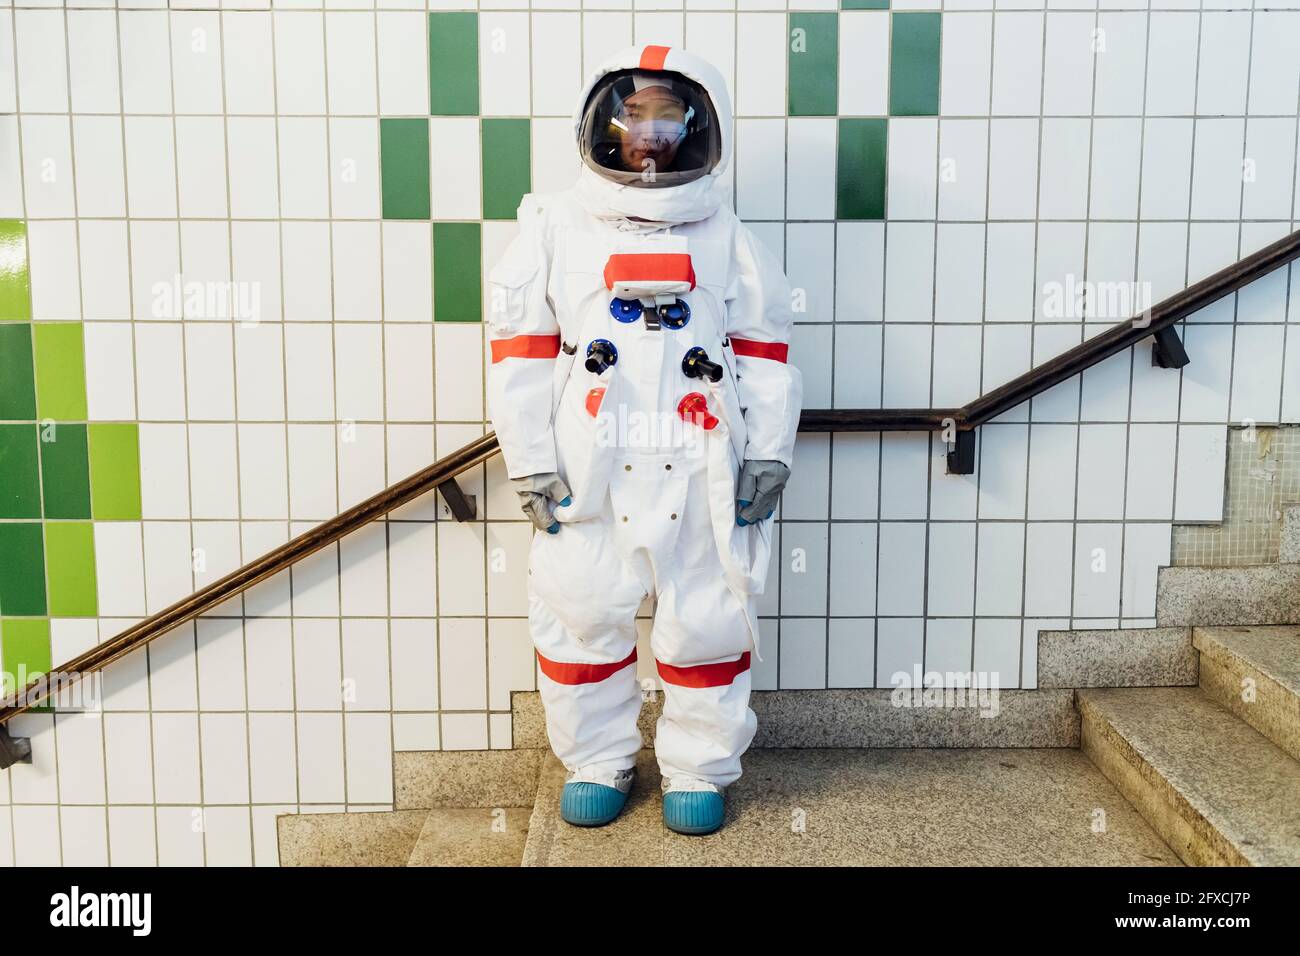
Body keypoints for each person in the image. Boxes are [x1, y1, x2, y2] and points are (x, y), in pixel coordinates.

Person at [486, 45, 802, 836]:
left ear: (699, 125)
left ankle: (697, 768)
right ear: (603, 124)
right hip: (591, 466)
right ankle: (596, 758)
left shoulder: (725, 234)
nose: (649, 133)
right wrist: (528, 461)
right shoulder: (557, 226)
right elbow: (520, 354)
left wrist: (769, 451)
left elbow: (763, 353)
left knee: (707, 619)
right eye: (633, 114)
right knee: (581, 609)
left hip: (699, 465)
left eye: (669, 115)